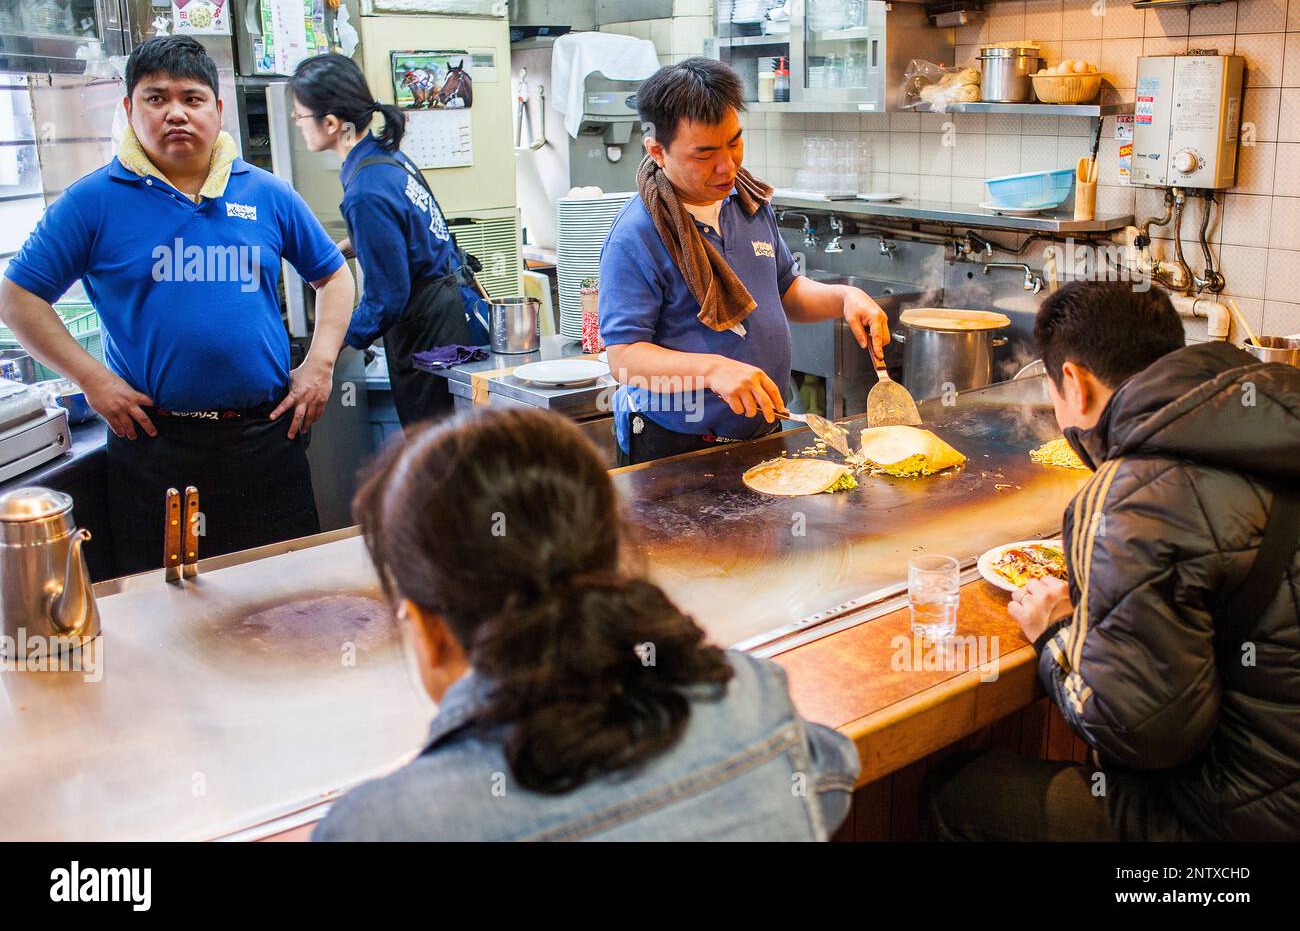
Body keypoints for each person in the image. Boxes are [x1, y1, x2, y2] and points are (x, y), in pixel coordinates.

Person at [313, 408, 860, 841]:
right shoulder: (753, 698)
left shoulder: (378, 827)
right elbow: (833, 771)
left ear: (428, 631)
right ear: (610, 563)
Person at [924, 280, 1300, 841]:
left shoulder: (1129, 494)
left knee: (960, 793)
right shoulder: (1275, 413)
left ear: (1072, 383)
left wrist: (1056, 635)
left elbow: (1143, 731)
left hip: (1231, 829)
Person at [0, 36, 353, 577]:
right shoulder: (93, 201)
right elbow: (18, 296)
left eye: (192, 98)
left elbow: (333, 275)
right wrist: (94, 379)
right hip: (155, 448)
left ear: (217, 109)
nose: (176, 113)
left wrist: (321, 365)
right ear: (128, 109)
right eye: (155, 98)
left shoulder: (265, 193)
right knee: (167, 609)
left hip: (266, 437)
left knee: (287, 599)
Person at [598, 58, 889, 467]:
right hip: (679, 446)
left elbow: (786, 290)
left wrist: (844, 297)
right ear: (657, 151)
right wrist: (713, 370)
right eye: (705, 154)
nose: (727, 165)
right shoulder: (638, 234)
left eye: (734, 142)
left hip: (762, 430)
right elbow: (624, 358)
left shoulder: (746, 202)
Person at [290, 53, 471, 427]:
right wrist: (330, 258)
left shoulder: (366, 189)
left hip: (432, 336)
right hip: (451, 313)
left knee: (435, 463)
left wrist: (323, 354)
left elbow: (387, 299)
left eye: (299, 114)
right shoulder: (384, 156)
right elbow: (393, 235)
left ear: (330, 123)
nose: (296, 122)